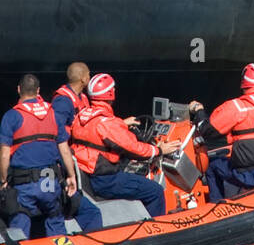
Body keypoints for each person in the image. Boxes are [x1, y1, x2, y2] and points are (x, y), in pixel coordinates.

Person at [0, 72, 102, 238]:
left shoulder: (12, 116)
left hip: (25, 186)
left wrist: (3, 181)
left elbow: (4, 155)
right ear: (38, 91)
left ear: (19, 90)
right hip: (50, 184)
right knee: (55, 217)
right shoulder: (52, 113)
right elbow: (64, 148)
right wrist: (72, 176)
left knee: (20, 220)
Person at [71, 73, 180, 218]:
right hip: (105, 180)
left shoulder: (81, 116)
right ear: (111, 93)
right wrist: (159, 150)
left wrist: (122, 123)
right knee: (155, 191)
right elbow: (134, 148)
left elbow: (97, 134)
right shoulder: (110, 124)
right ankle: (155, 231)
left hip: (87, 176)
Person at [189, 63, 254, 202]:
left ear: (243, 82)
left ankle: (217, 207)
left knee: (212, 166)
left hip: (249, 176)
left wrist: (199, 110)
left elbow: (207, 131)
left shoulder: (236, 107)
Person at [51, 60, 91, 141]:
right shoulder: (62, 100)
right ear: (83, 79)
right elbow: (57, 130)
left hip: (81, 146)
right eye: (88, 74)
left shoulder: (83, 97)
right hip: (68, 147)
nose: (90, 77)